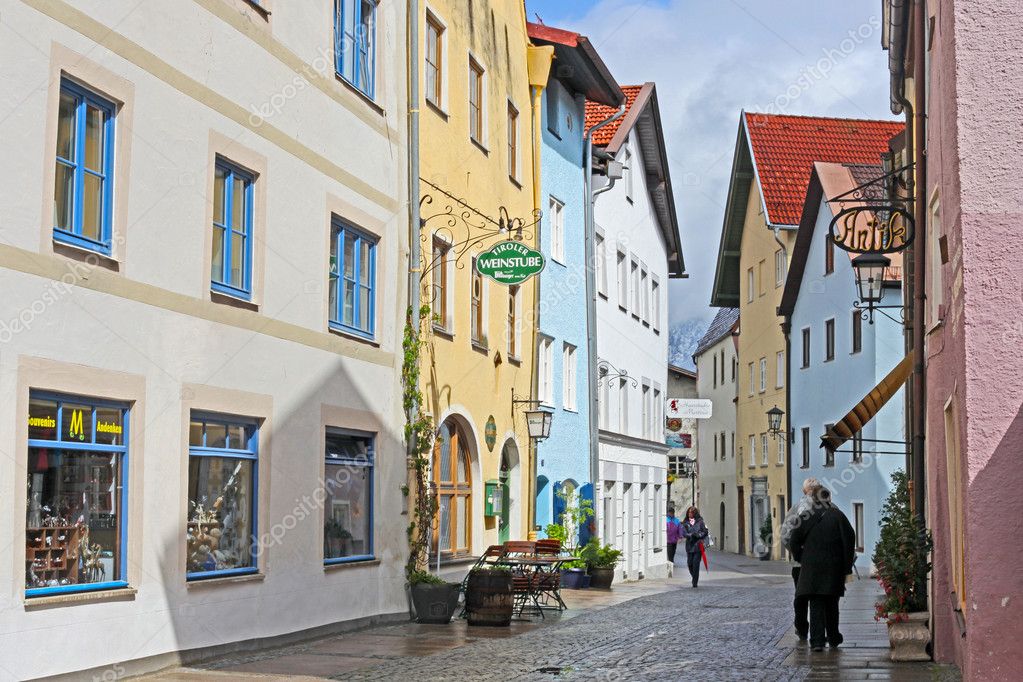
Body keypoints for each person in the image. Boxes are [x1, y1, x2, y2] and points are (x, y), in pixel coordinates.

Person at [788, 487, 856, 652]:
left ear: (813, 498)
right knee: (832, 603)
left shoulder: (805, 517)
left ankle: (817, 641)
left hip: (811, 568)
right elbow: (850, 538)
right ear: (829, 498)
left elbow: (793, 541)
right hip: (834, 567)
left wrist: (801, 557)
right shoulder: (838, 516)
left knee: (816, 603)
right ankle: (833, 637)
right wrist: (846, 566)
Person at [780, 477, 822, 642]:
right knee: (820, 597)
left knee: (801, 596)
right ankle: (820, 631)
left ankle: (802, 628)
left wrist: (797, 553)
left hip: (800, 564)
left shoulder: (796, 509)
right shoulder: (830, 507)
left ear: (804, 491)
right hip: (822, 563)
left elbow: (785, 535)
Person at [680, 505, 708, 588]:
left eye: (691, 513)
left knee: (696, 564)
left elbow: (705, 531)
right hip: (689, 546)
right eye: (688, 512)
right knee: (690, 564)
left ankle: (695, 582)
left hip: (698, 546)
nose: (690, 514)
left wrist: (698, 535)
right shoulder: (685, 522)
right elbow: (683, 533)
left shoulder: (700, 521)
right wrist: (690, 535)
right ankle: (694, 577)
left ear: (695, 513)